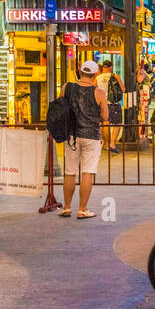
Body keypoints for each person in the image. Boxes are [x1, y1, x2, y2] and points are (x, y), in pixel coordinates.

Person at [59, 60, 106, 219]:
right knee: (87, 172)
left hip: (72, 135)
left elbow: (60, 107)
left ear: (80, 71)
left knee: (70, 172)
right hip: (91, 136)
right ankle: (82, 209)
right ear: (94, 75)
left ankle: (66, 207)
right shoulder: (99, 92)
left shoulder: (67, 87)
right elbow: (105, 116)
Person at [98, 61, 125, 153]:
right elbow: (123, 89)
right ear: (111, 67)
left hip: (102, 104)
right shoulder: (115, 76)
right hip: (113, 103)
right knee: (118, 123)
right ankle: (112, 143)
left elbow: (93, 90)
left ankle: (106, 143)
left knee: (106, 123)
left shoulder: (98, 78)